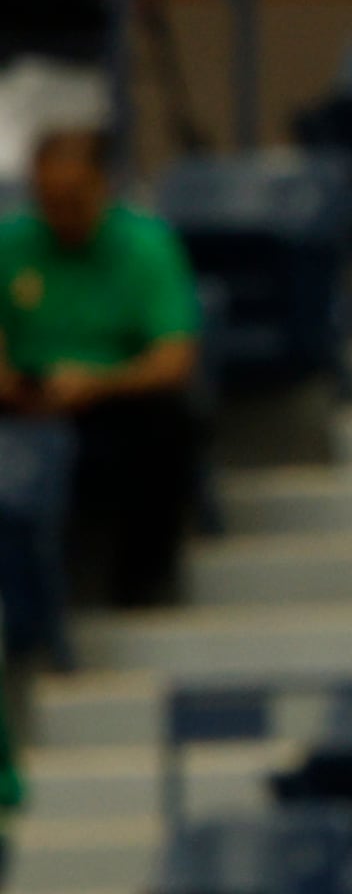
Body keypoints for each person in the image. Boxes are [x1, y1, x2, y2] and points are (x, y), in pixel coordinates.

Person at [0, 121, 202, 608]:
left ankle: (140, 587)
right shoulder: (9, 245)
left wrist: (98, 384)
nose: (59, 212)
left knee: (170, 424)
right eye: (46, 198)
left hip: (112, 400)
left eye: (71, 198)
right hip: (23, 399)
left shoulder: (147, 246)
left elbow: (174, 360)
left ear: (101, 186)